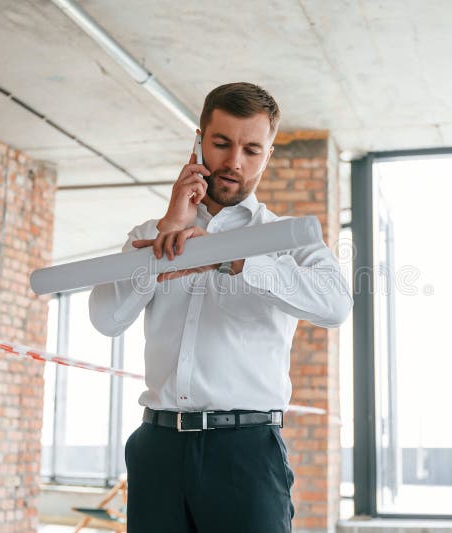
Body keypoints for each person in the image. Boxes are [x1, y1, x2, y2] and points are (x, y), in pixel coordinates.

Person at [88, 82, 352, 532]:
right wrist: (169, 230)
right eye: (222, 143)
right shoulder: (151, 232)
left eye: (251, 149)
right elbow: (107, 319)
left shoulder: (287, 237)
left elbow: (336, 304)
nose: (234, 162)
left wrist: (236, 258)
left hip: (245, 452)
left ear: (266, 156)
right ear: (198, 142)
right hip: (157, 449)